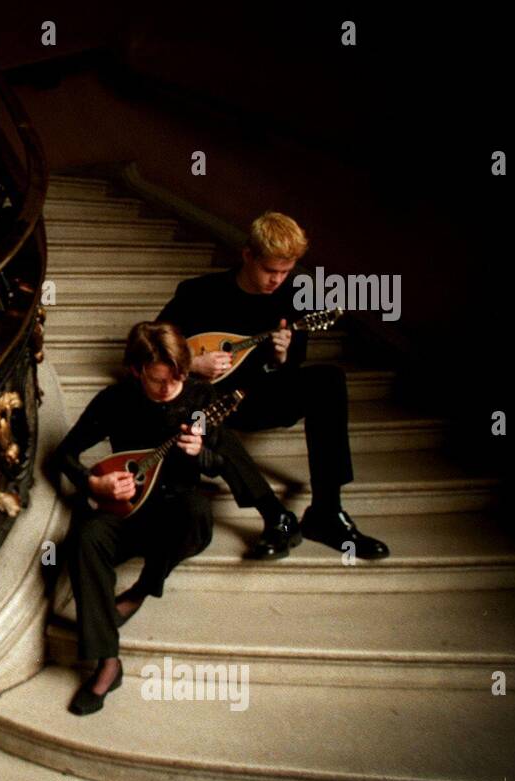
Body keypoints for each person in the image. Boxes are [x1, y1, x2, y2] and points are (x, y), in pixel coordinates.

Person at [156, 212, 389, 561]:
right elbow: (152, 348)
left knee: (328, 379)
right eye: (270, 270)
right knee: (203, 409)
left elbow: (291, 367)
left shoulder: (293, 297)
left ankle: (327, 511)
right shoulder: (199, 292)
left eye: (286, 271)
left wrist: (281, 356)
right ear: (248, 254)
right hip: (210, 404)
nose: (277, 280)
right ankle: (276, 516)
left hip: (260, 398)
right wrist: (192, 362)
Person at [50, 322, 226, 715]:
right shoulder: (115, 400)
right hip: (127, 511)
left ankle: (141, 590)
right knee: (86, 539)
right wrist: (94, 486)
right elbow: (62, 455)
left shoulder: (201, 398)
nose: (168, 389)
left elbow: (220, 464)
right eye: (158, 380)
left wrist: (201, 453)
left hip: (176, 512)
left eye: (176, 378)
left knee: (198, 514)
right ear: (136, 371)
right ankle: (107, 663)